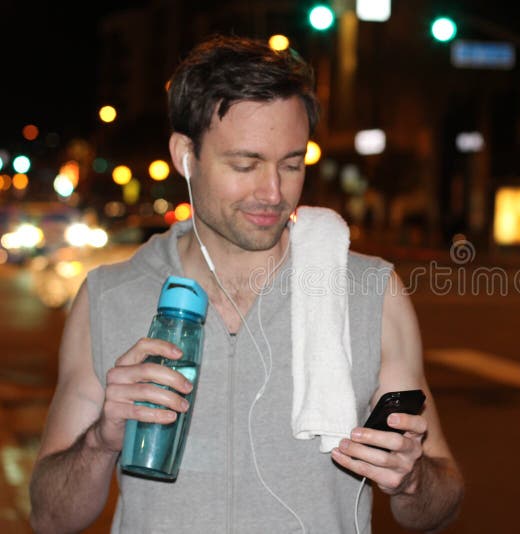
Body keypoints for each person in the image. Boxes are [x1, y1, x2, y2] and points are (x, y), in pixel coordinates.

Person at [29, 35, 463, 533]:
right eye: (245, 164)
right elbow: (49, 517)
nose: (273, 192)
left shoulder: (369, 293)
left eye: (292, 164)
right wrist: (101, 439)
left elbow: (441, 501)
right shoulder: (108, 297)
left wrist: (411, 479)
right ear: (184, 155)